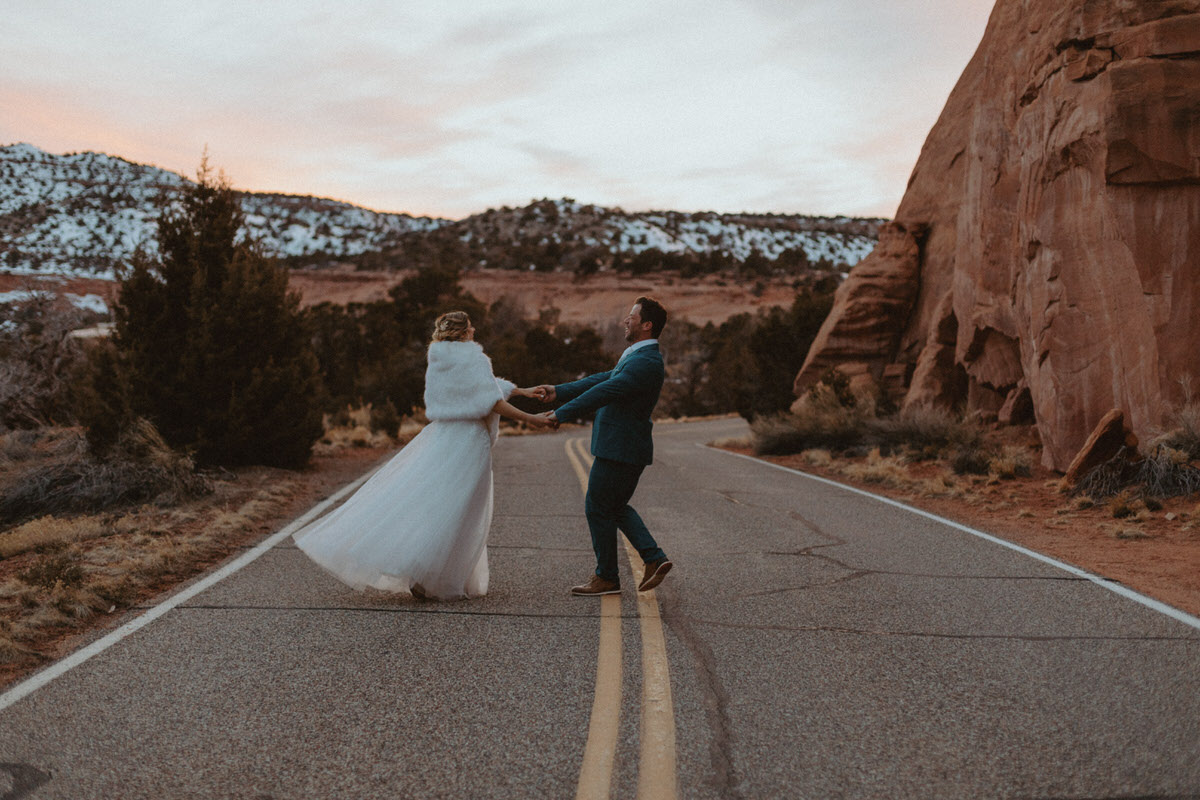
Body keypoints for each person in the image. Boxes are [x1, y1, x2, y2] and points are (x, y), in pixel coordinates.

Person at [294, 311, 553, 600]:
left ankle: (421, 571)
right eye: (470, 327)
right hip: (469, 440)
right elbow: (491, 400)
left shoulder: (440, 357)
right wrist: (533, 419)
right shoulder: (475, 358)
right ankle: (430, 575)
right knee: (460, 510)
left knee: (434, 501)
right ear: (462, 332)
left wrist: (523, 391)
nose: (474, 330)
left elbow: (484, 387)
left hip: (443, 434)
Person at [538, 297, 673, 596]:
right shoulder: (638, 356)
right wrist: (559, 391)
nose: (626, 320)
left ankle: (608, 577)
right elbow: (603, 379)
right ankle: (653, 558)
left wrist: (561, 413)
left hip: (620, 448)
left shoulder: (646, 362)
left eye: (631, 316)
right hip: (624, 447)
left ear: (647, 325)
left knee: (598, 506)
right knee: (613, 506)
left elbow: (606, 390)